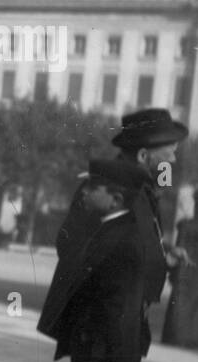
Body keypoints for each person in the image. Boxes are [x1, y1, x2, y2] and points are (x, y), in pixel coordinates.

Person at [37, 159, 149, 362]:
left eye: (92, 188)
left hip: (102, 349)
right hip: (95, 346)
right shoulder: (110, 230)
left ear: (115, 199)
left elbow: (116, 303)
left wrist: (100, 347)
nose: (84, 193)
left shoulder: (122, 238)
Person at [55, 108, 189, 311]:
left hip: (127, 320)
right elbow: (69, 245)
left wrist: (164, 260)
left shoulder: (147, 191)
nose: (173, 161)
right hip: (98, 322)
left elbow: (135, 246)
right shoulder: (102, 189)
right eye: (170, 153)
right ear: (143, 155)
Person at [162, 182, 198, 349]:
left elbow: (178, 248)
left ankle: (177, 339)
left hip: (185, 270)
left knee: (181, 306)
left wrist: (172, 272)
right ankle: (193, 340)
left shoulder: (185, 224)